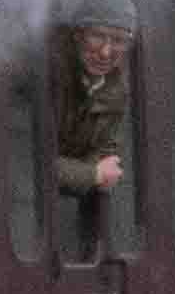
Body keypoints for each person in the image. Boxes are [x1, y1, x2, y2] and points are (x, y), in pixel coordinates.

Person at [48, 19, 130, 255]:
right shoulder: (47, 77)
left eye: (118, 41)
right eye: (98, 36)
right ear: (78, 35)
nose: (106, 51)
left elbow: (107, 161)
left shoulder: (114, 92)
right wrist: (92, 174)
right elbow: (25, 163)